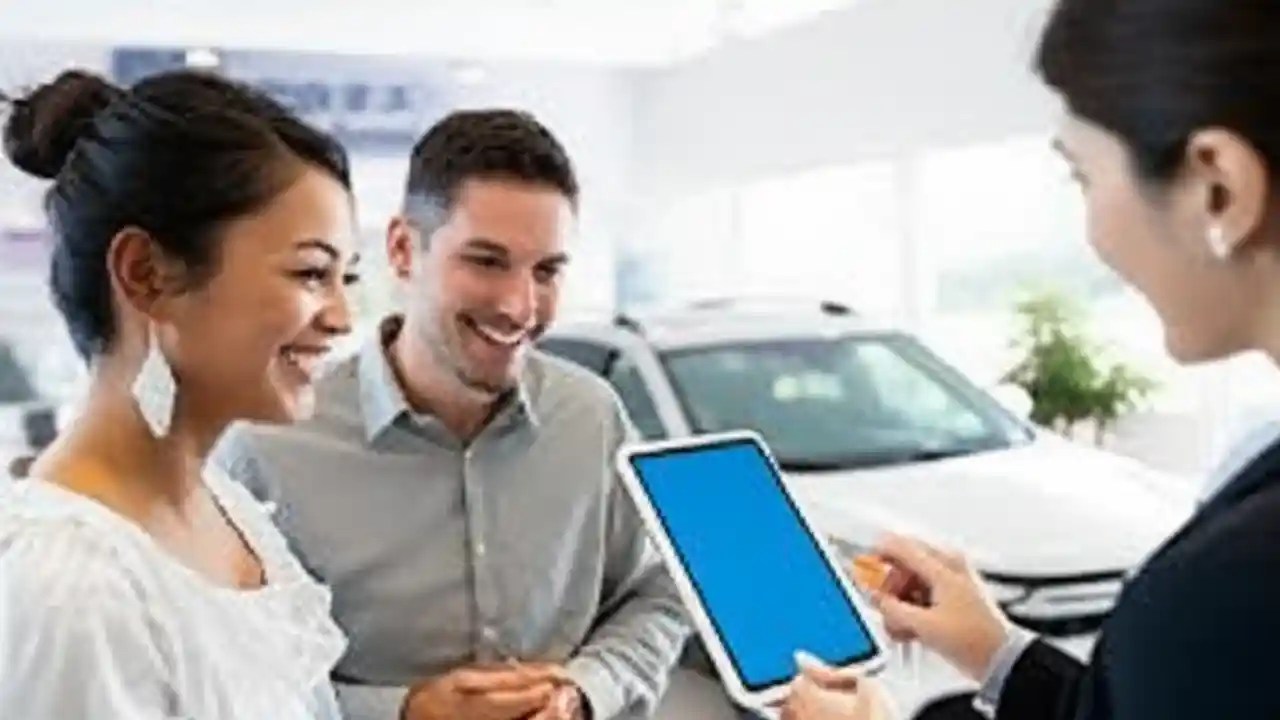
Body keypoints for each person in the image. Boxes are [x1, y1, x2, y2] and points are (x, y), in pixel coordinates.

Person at [782, 0, 1280, 718]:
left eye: (1081, 176)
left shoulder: (1233, 588)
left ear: (1218, 188)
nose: (1093, 233)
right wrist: (997, 650)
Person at [212, 109, 690, 720]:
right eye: (487, 262)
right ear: (404, 250)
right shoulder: (268, 447)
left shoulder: (592, 417)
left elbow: (656, 593)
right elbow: (226, 680)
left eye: (547, 270)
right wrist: (401, 712)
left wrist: (585, 690)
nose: (521, 307)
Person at [0, 69, 360, 718]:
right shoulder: (75, 587)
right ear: (145, 274)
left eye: (344, 278)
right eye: (311, 273)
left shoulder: (226, 507)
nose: (341, 317)